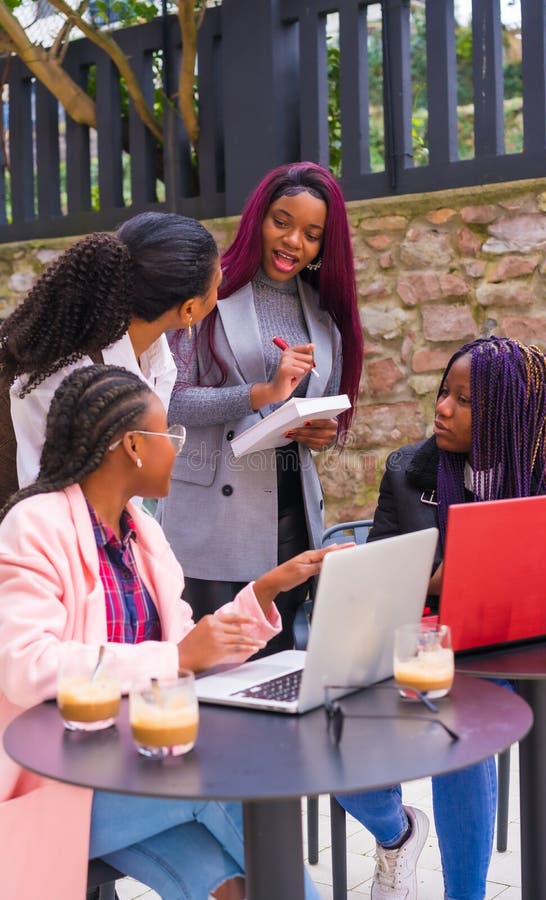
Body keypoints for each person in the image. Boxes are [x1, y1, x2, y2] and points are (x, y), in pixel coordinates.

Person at [0, 364, 340, 900]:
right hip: (58, 784)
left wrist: (265, 591)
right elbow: (26, 667)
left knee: (229, 886)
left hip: (146, 765)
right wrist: (175, 659)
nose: (178, 450)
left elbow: (189, 648)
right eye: (170, 436)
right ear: (134, 445)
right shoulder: (34, 525)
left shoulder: (146, 534)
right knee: (223, 788)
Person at [335, 336, 546, 900]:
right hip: (421, 642)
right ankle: (396, 830)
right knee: (324, 720)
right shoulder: (410, 469)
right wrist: (431, 582)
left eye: (464, 399)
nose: (443, 408)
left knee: (460, 722)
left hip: (524, 647)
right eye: (442, 393)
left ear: (506, 411)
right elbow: (380, 584)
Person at [162, 161, 364, 652]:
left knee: (279, 668)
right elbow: (167, 400)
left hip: (291, 515)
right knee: (216, 670)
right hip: (214, 519)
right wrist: (261, 393)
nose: (294, 241)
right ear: (258, 218)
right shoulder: (209, 294)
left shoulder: (324, 314)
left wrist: (321, 431)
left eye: (312, 234)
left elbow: (323, 406)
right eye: (282, 221)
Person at [0, 210, 222, 487]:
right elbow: (45, 499)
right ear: (189, 309)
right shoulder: (64, 372)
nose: (218, 293)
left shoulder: (156, 355)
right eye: (217, 285)